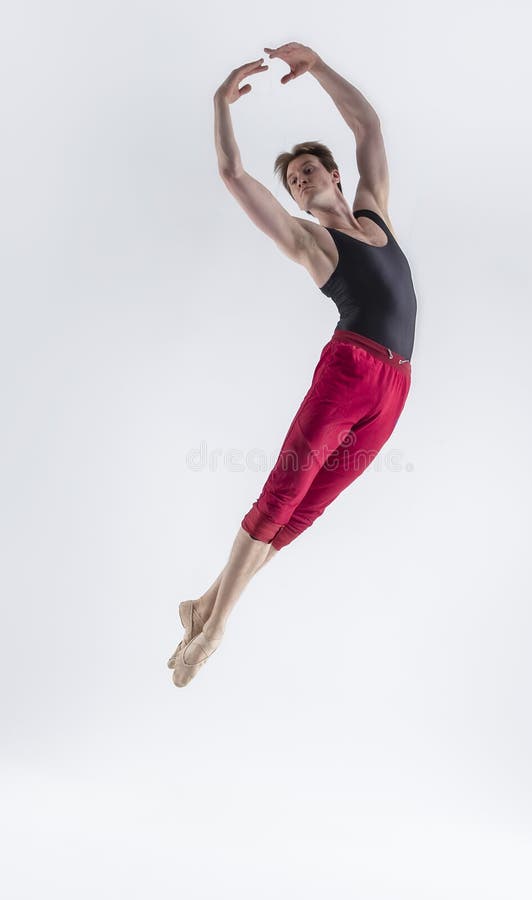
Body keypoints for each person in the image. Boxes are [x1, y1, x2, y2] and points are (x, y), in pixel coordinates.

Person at [170, 43, 418, 687]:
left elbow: (367, 126)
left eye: (309, 170)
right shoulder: (311, 241)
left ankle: (203, 603)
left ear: (334, 176)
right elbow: (233, 174)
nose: (302, 181)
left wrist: (319, 67)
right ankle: (216, 627)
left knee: (308, 510)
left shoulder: (376, 210)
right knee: (283, 493)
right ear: (300, 202)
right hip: (350, 370)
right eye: (294, 182)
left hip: (396, 388)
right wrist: (221, 104)